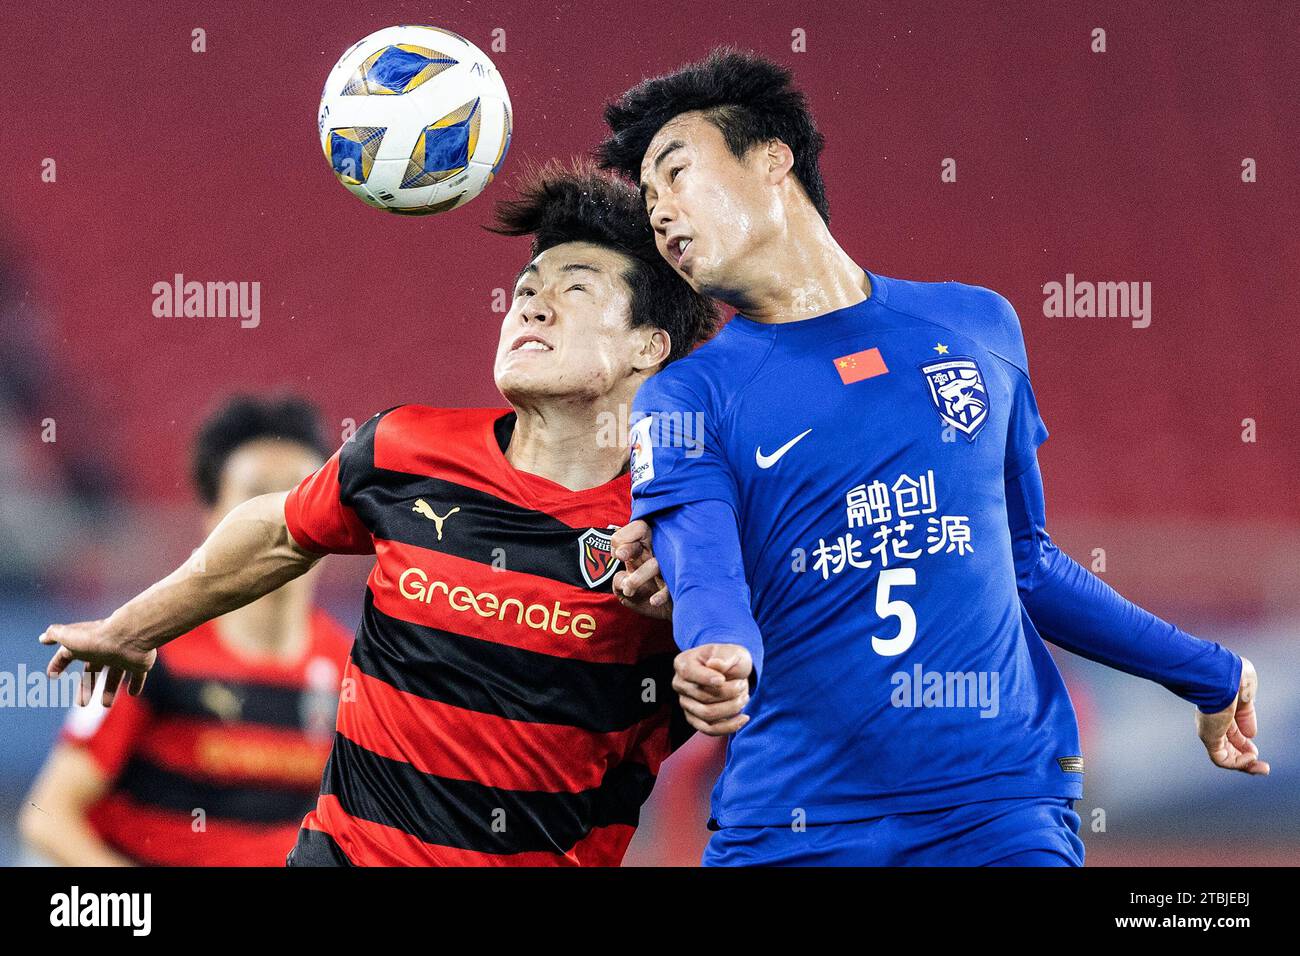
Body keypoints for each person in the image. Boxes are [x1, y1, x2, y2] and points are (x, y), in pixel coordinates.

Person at [597, 49, 1267, 867]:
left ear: (773, 158)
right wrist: (716, 651)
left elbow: (1027, 562)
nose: (659, 212)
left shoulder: (978, 327)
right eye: (649, 198)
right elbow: (705, 570)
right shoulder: (685, 397)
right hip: (793, 822)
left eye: (675, 173)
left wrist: (1208, 671)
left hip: (997, 813)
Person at [39, 163, 715, 866]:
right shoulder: (405, 449)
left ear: (649, 344)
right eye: (525, 291)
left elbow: (759, 684)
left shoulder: (686, 529)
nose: (531, 308)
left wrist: (697, 630)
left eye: (575, 289)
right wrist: (131, 628)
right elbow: (276, 531)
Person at [21, 396, 352, 865]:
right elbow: (47, 817)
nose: (284, 520)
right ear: (217, 521)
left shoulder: (352, 669)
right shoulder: (149, 652)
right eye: (259, 498)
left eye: (300, 496)